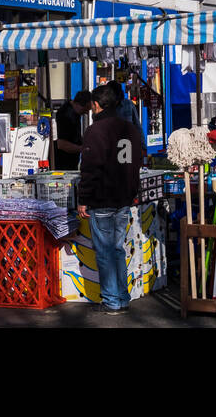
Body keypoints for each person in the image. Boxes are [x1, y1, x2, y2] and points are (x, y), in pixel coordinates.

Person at [77, 82, 144, 315]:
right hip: (123, 199)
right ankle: (122, 297)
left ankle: (112, 300)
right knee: (117, 249)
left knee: (105, 252)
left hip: (102, 199)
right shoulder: (130, 129)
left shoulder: (95, 131)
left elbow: (90, 169)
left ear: (96, 105)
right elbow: (137, 163)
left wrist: (83, 198)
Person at [53, 90, 91, 170]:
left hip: (70, 162)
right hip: (63, 163)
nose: (87, 113)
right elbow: (61, 144)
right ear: (79, 104)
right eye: (86, 109)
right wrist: (82, 149)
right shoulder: (66, 115)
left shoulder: (74, 112)